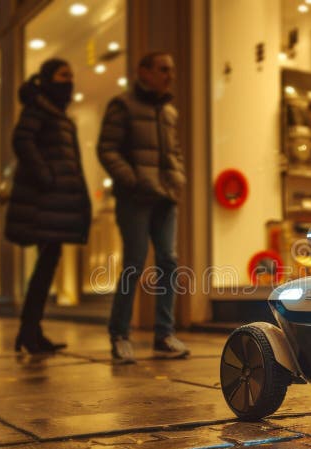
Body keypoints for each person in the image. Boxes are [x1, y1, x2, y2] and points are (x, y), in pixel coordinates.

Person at [97, 51, 189, 364]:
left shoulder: (169, 112)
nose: (170, 75)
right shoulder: (122, 105)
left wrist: (177, 178)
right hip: (135, 198)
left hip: (165, 197)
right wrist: (132, 179)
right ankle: (119, 335)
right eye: (163, 69)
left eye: (171, 70)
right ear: (144, 71)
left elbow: (175, 151)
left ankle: (164, 335)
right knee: (134, 263)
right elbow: (106, 149)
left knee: (169, 262)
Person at [6, 58, 91, 354]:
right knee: (45, 267)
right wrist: (46, 175)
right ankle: (29, 331)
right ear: (48, 78)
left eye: (71, 75)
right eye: (63, 75)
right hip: (43, 204)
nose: (69, 80)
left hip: (53, 204)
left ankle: (30, 331)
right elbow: (21, 139)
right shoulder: (39, 108)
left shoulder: (56, 113)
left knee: (46, 267)